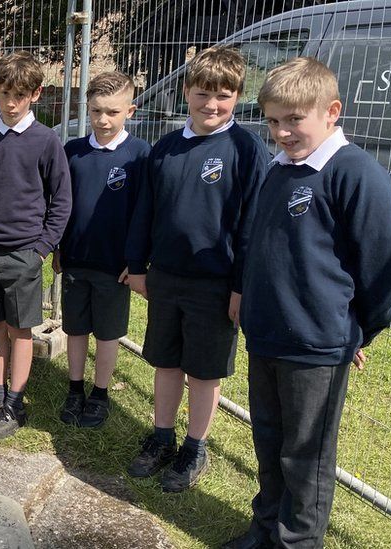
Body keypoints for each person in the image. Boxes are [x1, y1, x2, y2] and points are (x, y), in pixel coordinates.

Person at [224, 57, 391, 549]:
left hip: (316, 345)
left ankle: (297, 541)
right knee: (269, 440)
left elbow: (382, 268)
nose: (282, 132)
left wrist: (353, 332)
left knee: (305, 456)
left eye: (294, 120)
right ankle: (263, 532)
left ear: (331, 111)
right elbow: (259, 244)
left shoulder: (354, 173)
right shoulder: (279, 168)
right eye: (273, 121)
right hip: (266, 335)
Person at [125, 46, 270, 492]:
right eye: (203, 93)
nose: (212, 103)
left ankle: (194, 447)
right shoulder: (166, 149)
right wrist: (138, 266)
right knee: (166, 362)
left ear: (238, 96)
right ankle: (162, 436)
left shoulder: (247, 150)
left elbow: (252, 227)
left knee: (203, 371)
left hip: (216, 283)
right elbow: (145, 211)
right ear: (186, 91)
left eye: (224, 95)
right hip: (166, 276)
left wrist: (241, 287)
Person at [0, 51, 72, 439]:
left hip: (24, 254)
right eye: (5, 93)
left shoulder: (46, 142)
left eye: (20, 95)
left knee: (20, 329)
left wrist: (41, 248)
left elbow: (61, 200)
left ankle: (15, 401)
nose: (11, 103)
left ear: (36, 95)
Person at [54, 71, 150, 429]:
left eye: (112, 112)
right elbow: (63, 206)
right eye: (96, 111)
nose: (103, 120)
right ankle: (75, 388)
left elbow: (145, 211)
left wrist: (136, 260)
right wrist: (60, 248)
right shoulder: (73, 152)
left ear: (130, 110)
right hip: (77, 259)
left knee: (108, 332)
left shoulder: (139, 155)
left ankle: (100, 393)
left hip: (116, 266)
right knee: (76, 328)